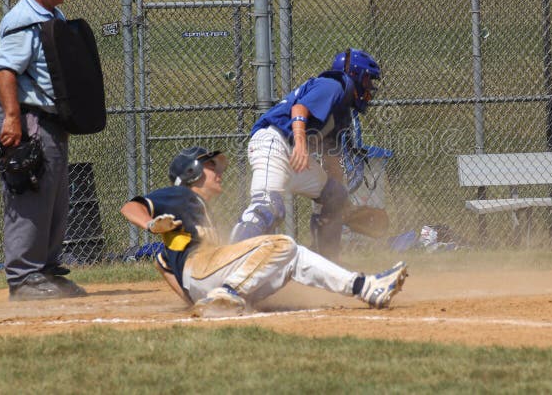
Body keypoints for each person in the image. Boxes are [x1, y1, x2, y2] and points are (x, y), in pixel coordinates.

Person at [120, 146, 407, 317]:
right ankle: (227, 294)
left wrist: (193, 298)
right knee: (281, 244)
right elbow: (130, 207)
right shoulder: (182, 195)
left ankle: (366, 288)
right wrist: (149, 224)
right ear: (193, 173)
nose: (218, 172)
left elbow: (163, 263)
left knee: (294, 255)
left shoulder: (198, 212)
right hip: (206, 272)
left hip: (204, 277)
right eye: (210, 166)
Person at [0, 0, 87, 301]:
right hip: (28, 119)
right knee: (30, 198)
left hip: (50, 121)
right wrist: (13, 119)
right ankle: (23, 278)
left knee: (54, 200)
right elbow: (5, 70)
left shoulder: (51, 13)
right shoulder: (22, 20)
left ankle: (45, 269)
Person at [229, 48, 381, 260]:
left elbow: (331, 159)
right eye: (368, 80)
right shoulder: (334, 85)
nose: (370, 88)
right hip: (275, 142)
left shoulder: (342, 111)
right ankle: (230, 260)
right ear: (356, 74)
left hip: (294, 156)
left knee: (335, 196)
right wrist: (300, 143)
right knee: (269, 207)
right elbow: (299, 108)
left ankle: (323, 264)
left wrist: (345, 206)